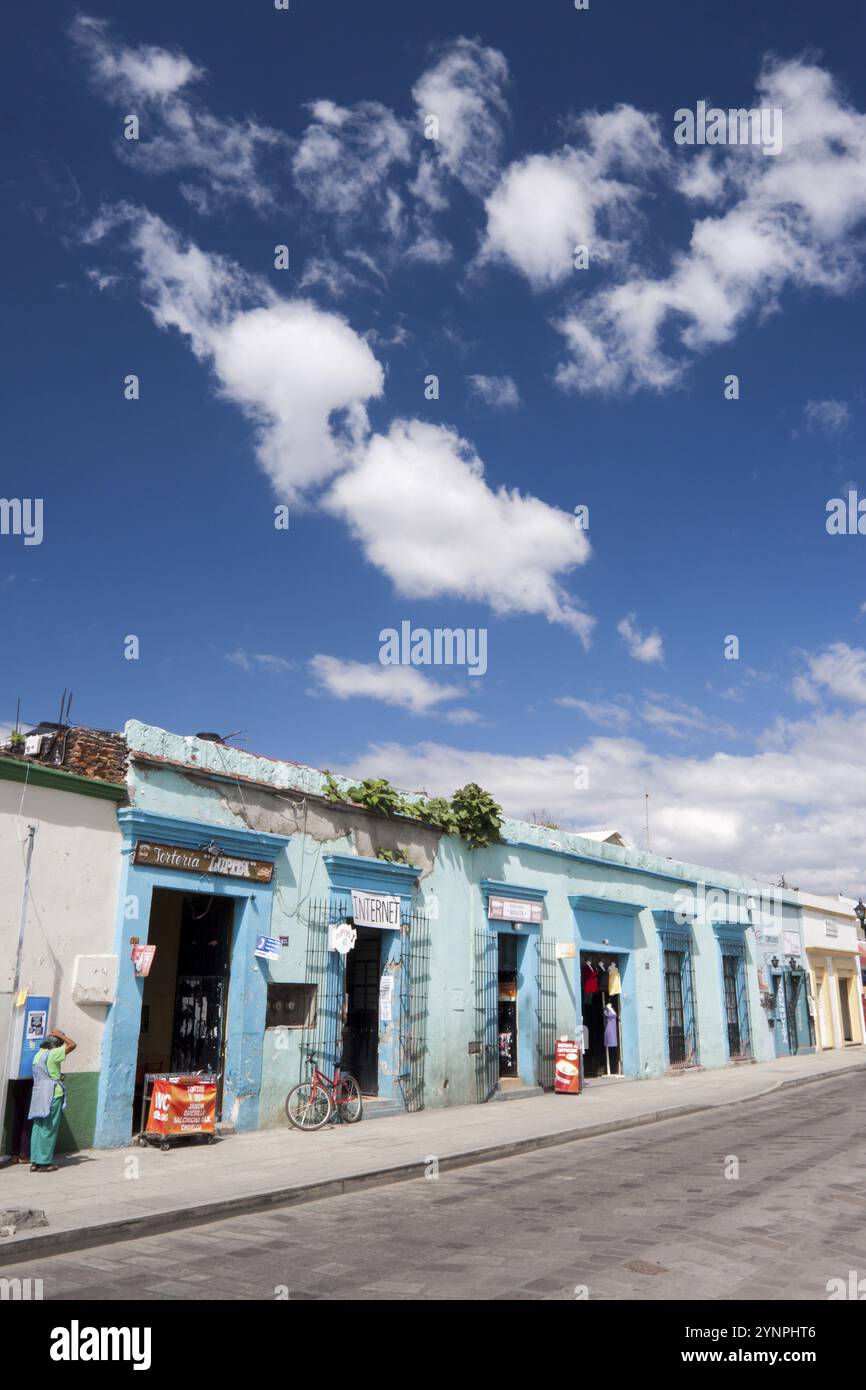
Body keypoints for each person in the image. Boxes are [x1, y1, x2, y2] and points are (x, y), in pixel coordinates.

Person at [28, 1029, 76, 1172]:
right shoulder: (54, 1054)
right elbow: (73, 1045)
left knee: (37, 1128)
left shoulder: (38, 1054)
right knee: (49, 1128)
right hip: (52, 1095)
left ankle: (35, 1161)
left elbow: (46, 1073)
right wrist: (61, 1035)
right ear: (57, 1044)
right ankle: (45, 1163)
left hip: (38, 1095)